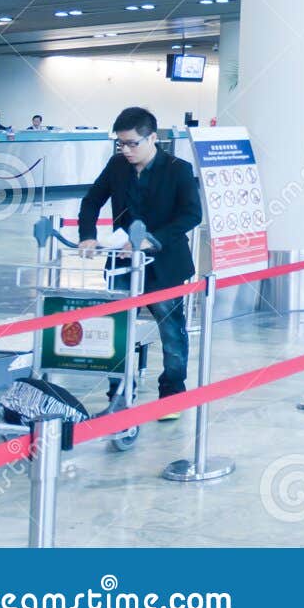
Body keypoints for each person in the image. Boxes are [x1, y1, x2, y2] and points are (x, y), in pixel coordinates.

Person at [77, 107, 202, 413]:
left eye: (133, 143)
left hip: (165, 265)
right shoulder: (118, 165)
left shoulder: (178, 169)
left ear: (152, 138)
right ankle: (119, 396)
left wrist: (151, 240)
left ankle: (172, 394)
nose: (126, 150)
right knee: (117, 329)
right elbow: (92, 199)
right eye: (121, 143)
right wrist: (88, 234)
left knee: (171, 332)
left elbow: (191, 215)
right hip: (122, 262)